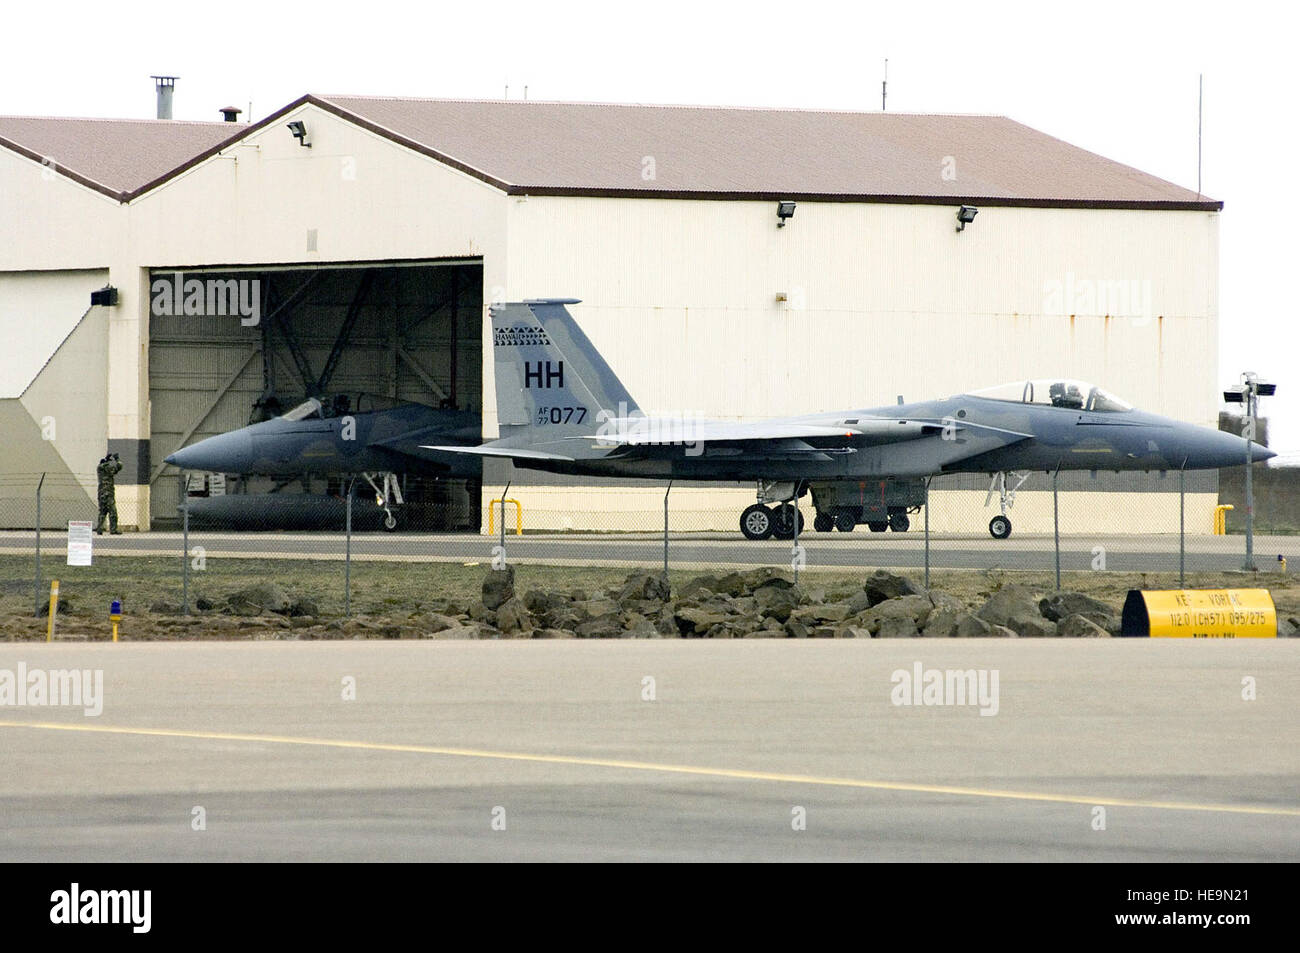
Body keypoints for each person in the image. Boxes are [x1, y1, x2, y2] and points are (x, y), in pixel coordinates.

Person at [96, 452, 122, 535]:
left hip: (101, 493)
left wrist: (106, 460)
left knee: (102, 511)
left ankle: (99, 528)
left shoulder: (100, 469)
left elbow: (102, 465)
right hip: (108, 493)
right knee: (113, 511)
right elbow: (119, 466)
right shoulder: (107, 468)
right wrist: (117, 459)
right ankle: (113, 529)